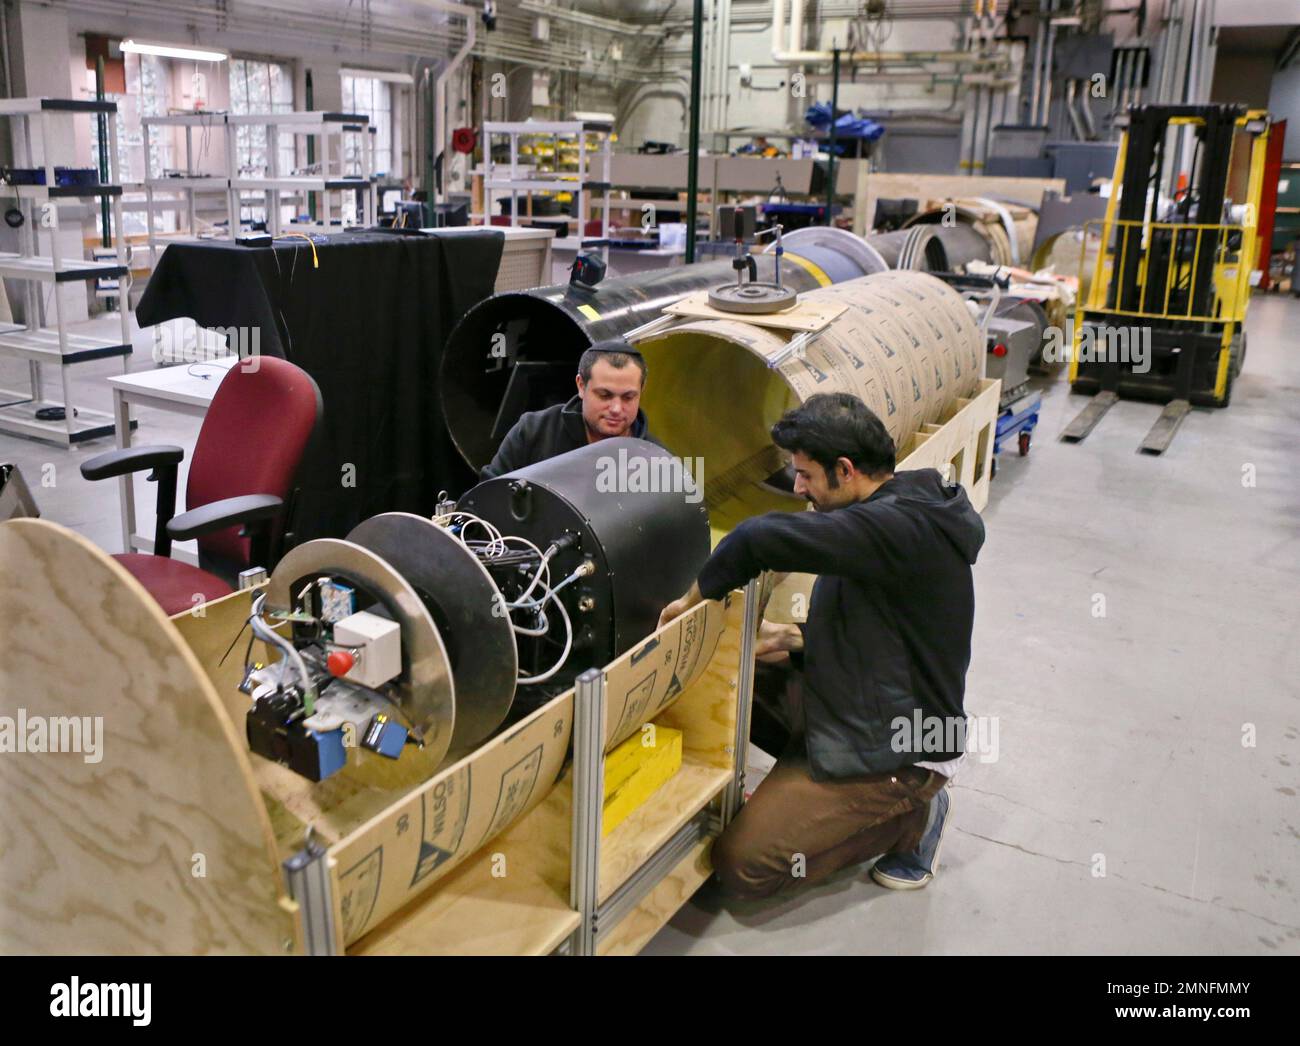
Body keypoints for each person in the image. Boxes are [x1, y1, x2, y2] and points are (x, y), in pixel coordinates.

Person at [657, 392, 985, 898]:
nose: (798, 486)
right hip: (861, 699)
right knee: (731, 675)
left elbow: (755, 537)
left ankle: (909, 820)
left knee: (741, 864)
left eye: (806, 474)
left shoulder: (894, 528)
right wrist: (793, 639)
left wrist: (690, 602)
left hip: (903, 747)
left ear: (846, 469)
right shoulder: (892, 507)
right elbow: (887, 630)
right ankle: (809, 793)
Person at [479, 338, 658, 479]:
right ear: (581, 386)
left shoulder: (657, 460)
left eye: (628, 397)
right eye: (604, 395)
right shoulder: (535, 432)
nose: (616, 409)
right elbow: (486, 498)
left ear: (641, 392)